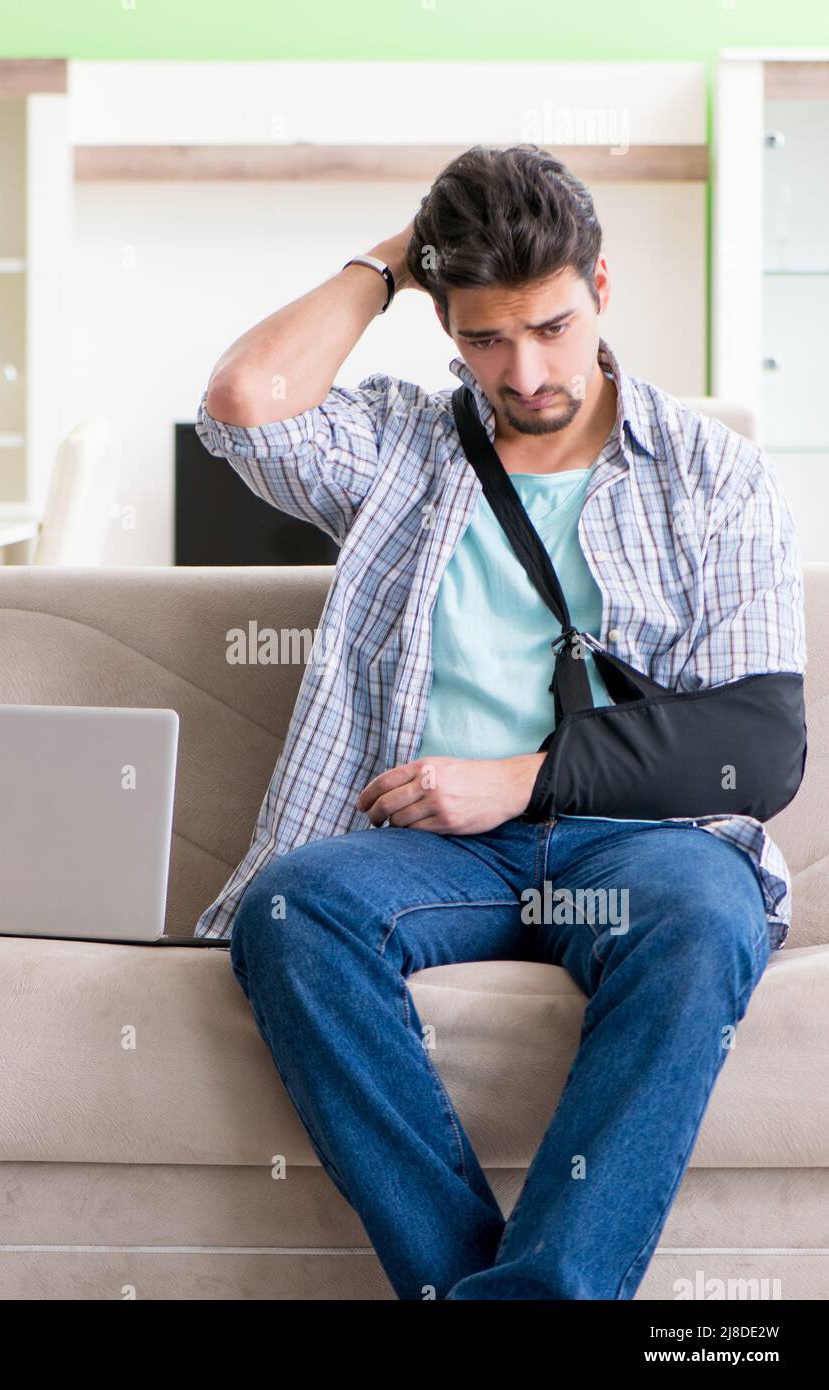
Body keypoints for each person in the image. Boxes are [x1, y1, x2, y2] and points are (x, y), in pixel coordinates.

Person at [192, 144, 806, 1300]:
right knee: (292, 910)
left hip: (640, 841)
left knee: (703, 920)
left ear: (603, 291)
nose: (526, 371)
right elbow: (244, 403)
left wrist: (525, 778)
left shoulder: (710, 477)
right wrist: (389, 261)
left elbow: (760, 745)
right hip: (435, 855)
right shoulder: (401, 449)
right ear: (443, 324)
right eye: (485, 338)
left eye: (554, 327)